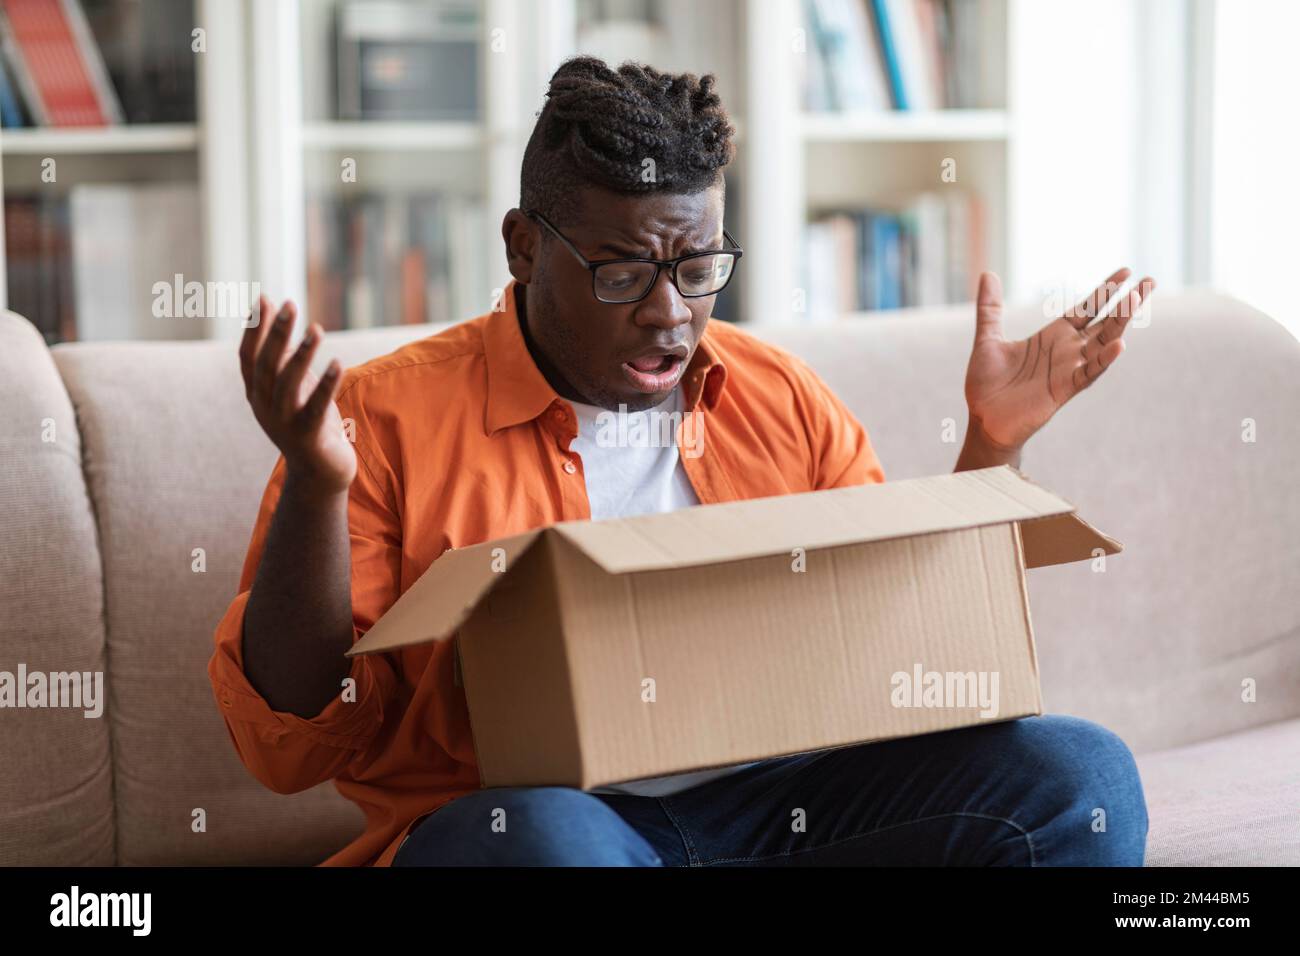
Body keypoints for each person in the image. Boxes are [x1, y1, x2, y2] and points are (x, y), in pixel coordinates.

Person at [209, 56, 1153, 866]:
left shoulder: (778, 394)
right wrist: (316, 487)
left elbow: (901, 658)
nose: (668, 313)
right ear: (524, 248)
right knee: (544, 842)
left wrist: (994, 443)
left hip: (783, 808)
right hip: (540, 820)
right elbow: (291, 747)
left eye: (698, 269)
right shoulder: (378, 418)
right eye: (622, 273)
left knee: (1079, 776)